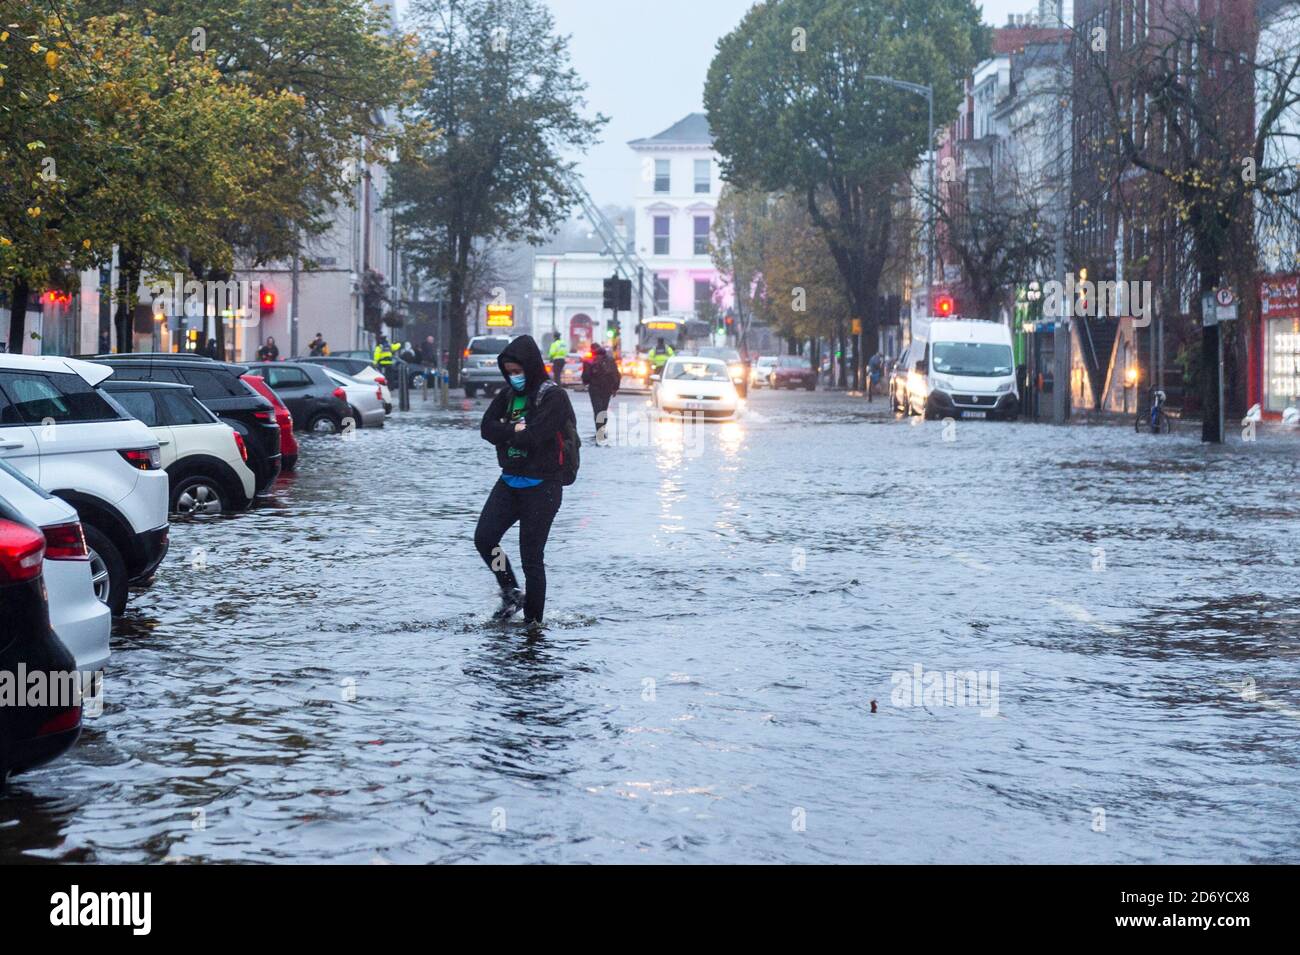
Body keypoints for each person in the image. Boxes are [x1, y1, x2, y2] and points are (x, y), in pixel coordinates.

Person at [475, 335, 576, 629]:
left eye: (518, 371)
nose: (514, 377)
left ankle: (533, 628)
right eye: (509, 372)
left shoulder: (554, 397)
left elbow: (534, 435)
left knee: (531, 557)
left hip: (542, 486)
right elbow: (486, 428)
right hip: (509, 481)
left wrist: (509, 430)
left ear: (530, 367)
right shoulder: (507, 396)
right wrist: (512, 428)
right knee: (484, 538)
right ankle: (510, 592)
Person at [581, 344, 621, 443]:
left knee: (597, 410)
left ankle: (599, 432)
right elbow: (616, 375)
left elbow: (585, 376)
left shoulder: (589, 361)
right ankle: (601, 432)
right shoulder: (611, 360)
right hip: (607, 389)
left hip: (595, 388)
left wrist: (586, 383)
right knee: (603, 409)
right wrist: (615, 388)